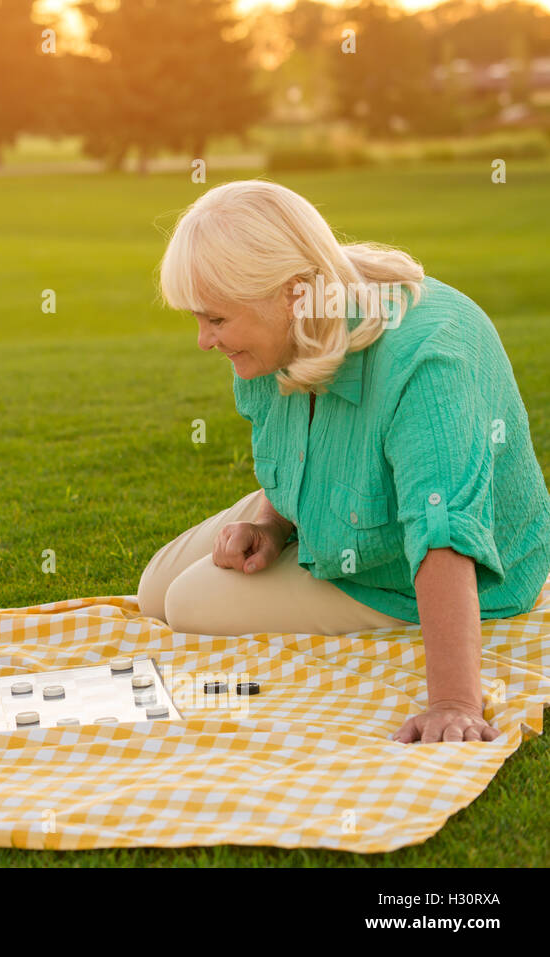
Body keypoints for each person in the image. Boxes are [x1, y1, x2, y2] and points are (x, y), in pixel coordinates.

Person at [137, 179, 550, 745]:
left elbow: (443, 530)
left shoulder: (429, 358)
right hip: (340, 513)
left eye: (216, 319)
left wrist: (453, 701)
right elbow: (303, 454)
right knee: (154, 589)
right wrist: (271, 524)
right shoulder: (282, 331)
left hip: (430, 569)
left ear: (290, 293)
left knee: (188, 602)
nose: (204, 341)